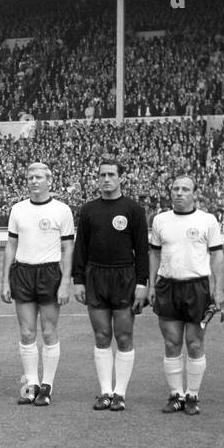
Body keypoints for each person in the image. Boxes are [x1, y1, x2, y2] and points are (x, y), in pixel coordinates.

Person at [72, 158, 149, 411]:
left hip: (124, 277)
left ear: (121, 178)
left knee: (124, 335)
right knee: (102, 334)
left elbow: (142, 250)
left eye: (111, 174)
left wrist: (141, 283)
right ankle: (105, 391)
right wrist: (79, 280)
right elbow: (80, 248)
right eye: (102, 174)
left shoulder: (133, 210)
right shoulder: (88, 210)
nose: (106, 179)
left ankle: (120, 393)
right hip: (96, 276)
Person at [148, 176, 224, 416]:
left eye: (185, 189)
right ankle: (175, 395)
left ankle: (192, 394)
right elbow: (154, 254)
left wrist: (218, 287)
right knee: (171, 343)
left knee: (194, 342)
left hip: (197, 288)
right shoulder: (160, 220)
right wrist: (152, 285)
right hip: (168, 286)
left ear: (195, 193)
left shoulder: (207, 220)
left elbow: (217, 255)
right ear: (170, 192)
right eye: (175, 189)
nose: (179, 193)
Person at [1, 162, 74, 406]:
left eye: (39, 177)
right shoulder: (18, 209)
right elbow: (11, 244)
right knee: (26, 331)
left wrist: (65, 282)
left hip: (50, 273)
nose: (34, 181)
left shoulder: (62, 210)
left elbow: (67, 248)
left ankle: (47, 386)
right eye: (30, 177)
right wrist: (5, 280)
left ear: (49, 181)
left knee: (49, 331)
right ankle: (30, 385)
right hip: (22, 272)